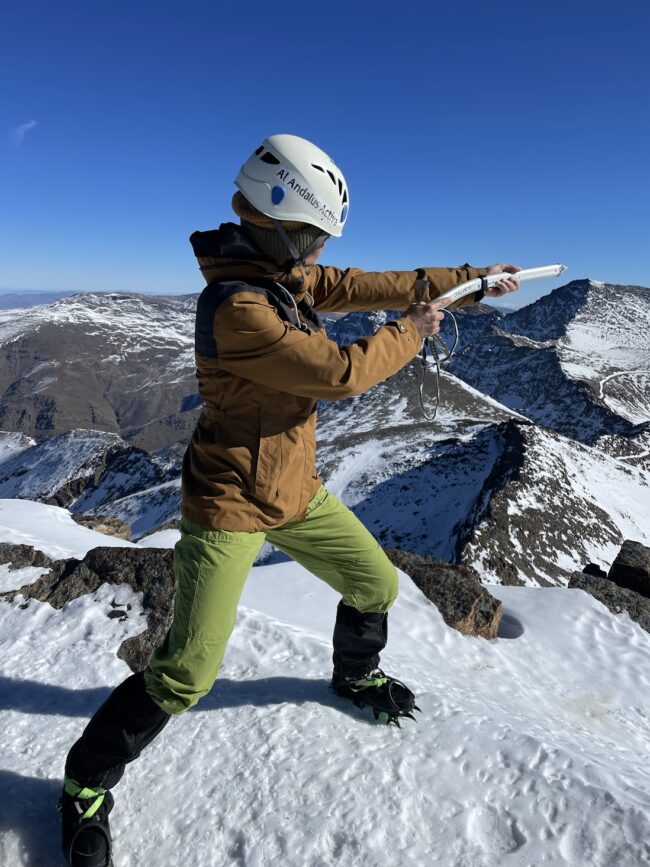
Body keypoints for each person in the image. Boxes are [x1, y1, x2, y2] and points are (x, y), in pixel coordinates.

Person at [59, 133, 520, 866]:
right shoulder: (240, 305)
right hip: (231, 501)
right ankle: (85, 785)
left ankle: (355, 673)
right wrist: (414, 330)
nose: (315, 252)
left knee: (374, 582)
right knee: (188, 670)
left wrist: (466, 277)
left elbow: (370, 282)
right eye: (308, 236)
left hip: (294, 489)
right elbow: (338, 372)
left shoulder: (281, 275)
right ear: (274, 222)